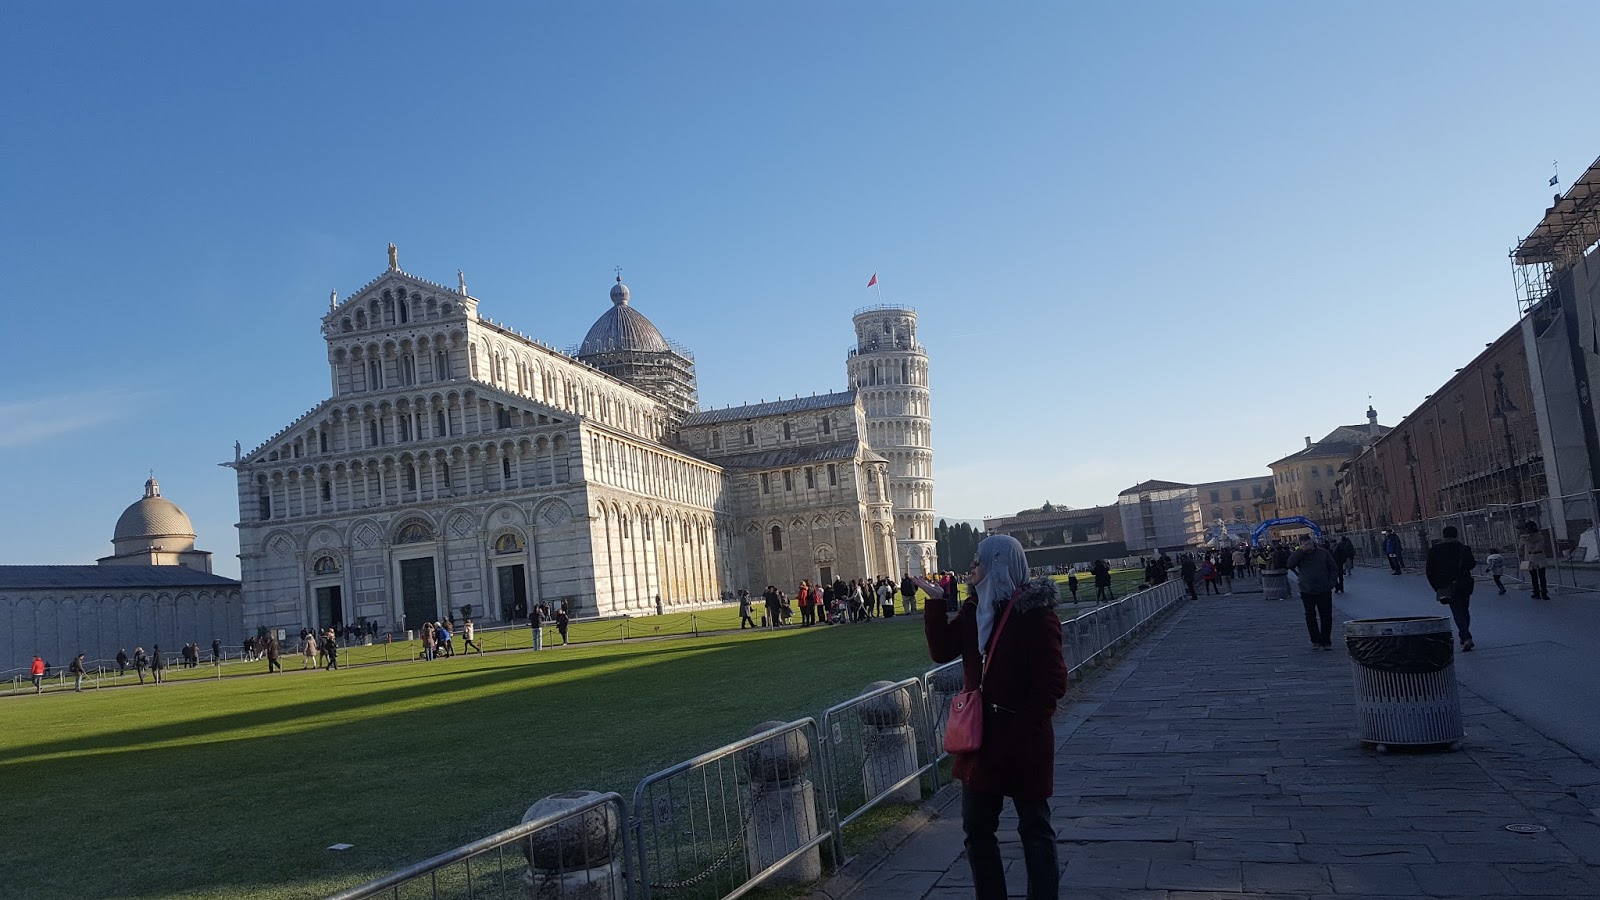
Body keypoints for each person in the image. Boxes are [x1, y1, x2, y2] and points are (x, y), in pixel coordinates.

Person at [921, 535, 1067, 900]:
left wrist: (1019, 731)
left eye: (978, 561)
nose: (972, 567)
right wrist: (936, 603)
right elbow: (942, 651)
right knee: (976, 830)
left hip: (1023, 739)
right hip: (981, 740)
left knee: (1034, 828)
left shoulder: (1036, 615)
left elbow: (1052, 683)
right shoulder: (974, 610)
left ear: (998, 564)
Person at [1427, 525, 1477, 651]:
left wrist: (1436, 587)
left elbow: (1429, 571)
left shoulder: (1435, 550)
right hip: (1464, 584)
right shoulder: (1464, 549)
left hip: (1446, 585)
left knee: (1456, 610)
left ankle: (1465, 636)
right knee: (1464, 609)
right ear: (1456, 535)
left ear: (1443, 535)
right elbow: (1471, 565)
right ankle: (1464, 635)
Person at [1287, 534, 1339, 650]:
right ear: (1301, 545)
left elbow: (1333, 568)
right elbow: (1290, 564)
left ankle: (1326, 641)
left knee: (1326, 616)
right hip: (1307, 590)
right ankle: (1315, 641)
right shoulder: (1299, 555)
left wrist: (1331, 583)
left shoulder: (1323, 553)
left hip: (1323, 589)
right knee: (1310, 616)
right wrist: (1300, 552)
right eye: (1305, 544)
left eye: (1309, 543)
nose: (1308, 546)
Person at [1517, 520, 1551, 600]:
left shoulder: (1538, 536)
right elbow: (1520, 547)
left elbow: (1537, 546)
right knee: (1535, 576)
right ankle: (1537, 592)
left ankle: (1542, 592)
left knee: (1540, 576)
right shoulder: (1525, 537)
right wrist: (1523, 539)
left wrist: (1526, 539)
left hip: (1537, 557)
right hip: (1531, 558)